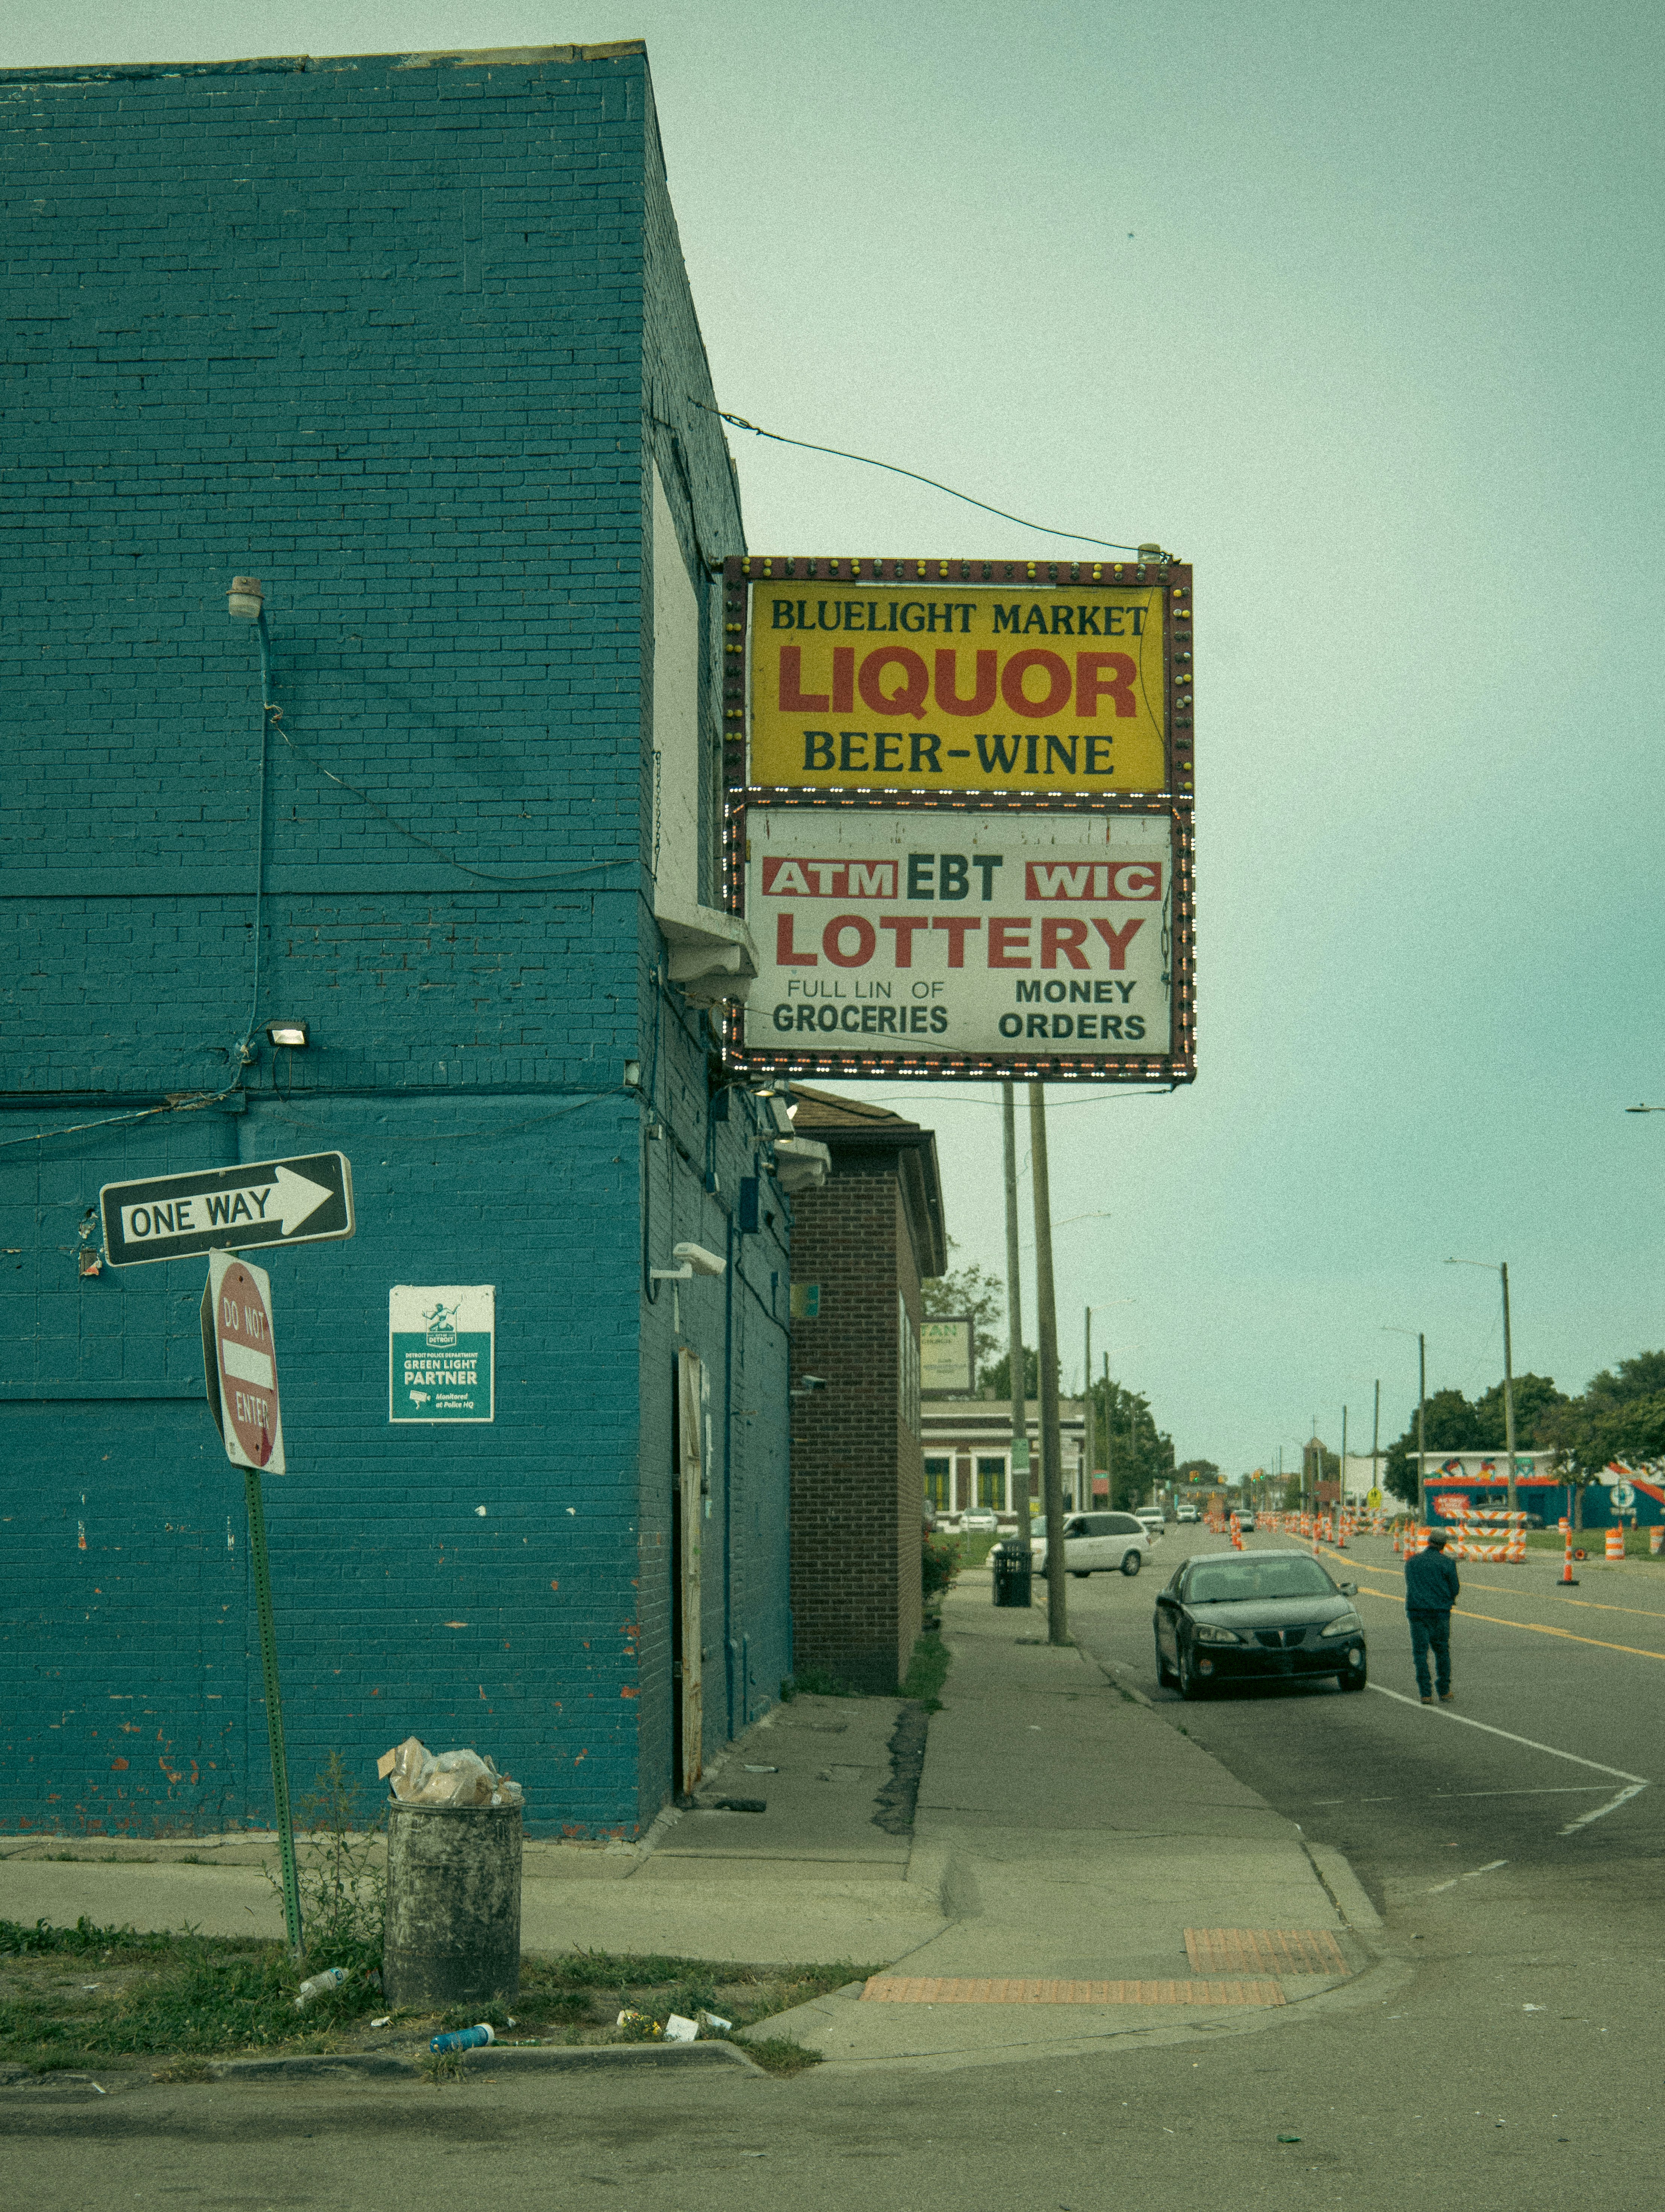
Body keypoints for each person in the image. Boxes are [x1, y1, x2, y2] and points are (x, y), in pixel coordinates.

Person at [1405, 1527, 1460, 1704]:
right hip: (1440, 1613)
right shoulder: (1448, 1564)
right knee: (1442, 1651)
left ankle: (1426, 1693)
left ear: (1428, 1542)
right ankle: (1444, 1690)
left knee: (1420, 1653)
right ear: (1444, 1545)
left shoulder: (1412, 1562)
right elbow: (1455, 1588)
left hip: (1418, 1612)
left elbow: (1410, 1584)